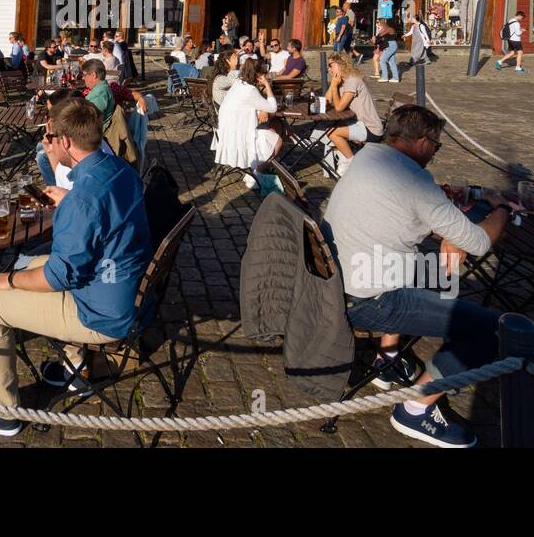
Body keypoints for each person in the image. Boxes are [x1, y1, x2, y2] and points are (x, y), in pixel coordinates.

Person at [0, 98, 153, 436]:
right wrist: (68, 199)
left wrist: (10, 280)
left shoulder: (83, 199)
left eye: (49, 137)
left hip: (101, 311)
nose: (46, 142)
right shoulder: (117, 168)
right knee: (29, 259)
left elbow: (61, 275)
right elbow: (96, 223)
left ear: (64, 141)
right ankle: (75, 369)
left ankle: (3, 412)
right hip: (118, 280)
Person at [326, 104, 509, 447]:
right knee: (492, 329)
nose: (435, 154)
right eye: (437, 147)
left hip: (339, 282)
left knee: (428, 269)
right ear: (424, 141)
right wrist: (501, 208)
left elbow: (398, 213)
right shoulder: (415, 180)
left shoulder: (368, 157)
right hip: (372, 300)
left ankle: (389, 355)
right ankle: (416, 408)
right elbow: (480, 241)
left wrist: (447, 231)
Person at [213, 57, 281, 186]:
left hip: (226, 133)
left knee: (272, 129)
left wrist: (262, 109)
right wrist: (267, 85)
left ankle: (265, 164)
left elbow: (248, 105)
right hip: (239, 137)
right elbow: (272, 107)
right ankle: (257, 173)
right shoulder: (250, 90)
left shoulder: (238, 84)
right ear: (258, 75)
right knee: (277, 140)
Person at [323, 51, 384, 175]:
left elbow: (339, 108)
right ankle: (342, 160)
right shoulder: (342, 81)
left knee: (332, 132)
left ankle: (351, 162)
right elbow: (327, 101)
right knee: (326, 129)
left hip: (370, 128)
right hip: (356, 123)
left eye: (331, 65)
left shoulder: (352, 81)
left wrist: (335, 87)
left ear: (341, 64)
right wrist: (333, 84)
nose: (328, 68)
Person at [79, 58, 116, 128]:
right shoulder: (101, 88)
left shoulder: (100, 94)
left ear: (93, 75)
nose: (83, 78)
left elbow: (89, 120)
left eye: (84, 75)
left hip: (95, 134)